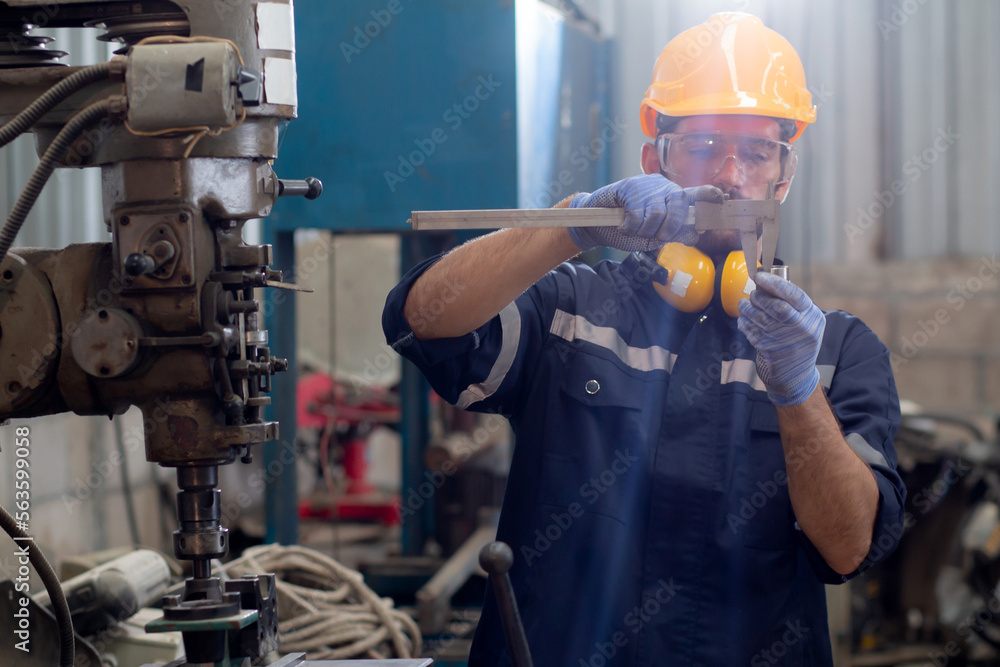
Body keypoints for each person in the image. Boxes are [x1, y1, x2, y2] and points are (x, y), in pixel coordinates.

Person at [383, 12, 905, 666]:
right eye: (706, 143)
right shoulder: (571, 310)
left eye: (756, 151)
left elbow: (849, 544)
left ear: (784, 173)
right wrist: (574, 222)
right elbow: (420, 319)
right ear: (652, 160)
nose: (732, 175)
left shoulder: (836, 351)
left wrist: (797, 391)